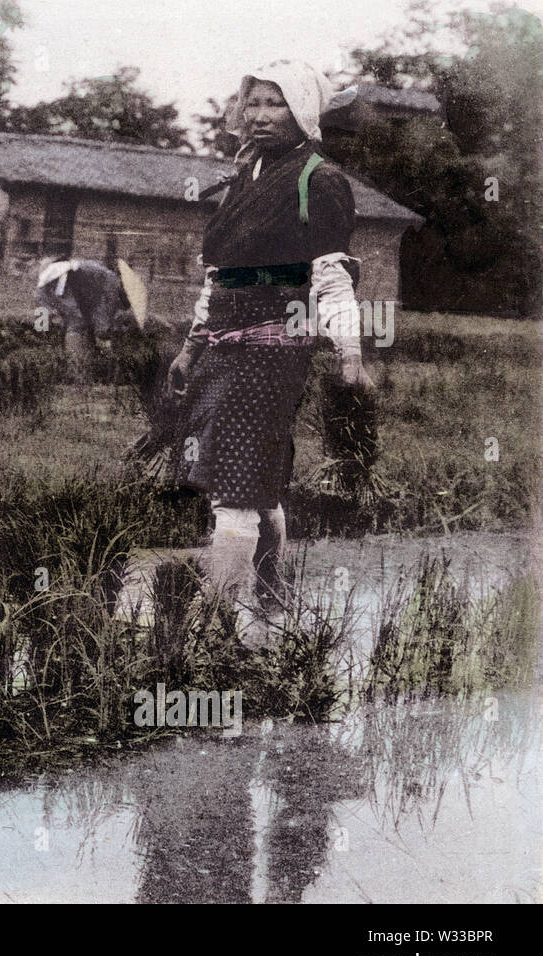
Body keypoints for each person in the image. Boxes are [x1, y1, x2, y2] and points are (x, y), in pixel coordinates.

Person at [164, 61, 375, 621]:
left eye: (274, 104)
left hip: (274, 349)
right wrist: (191, 346)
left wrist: (349, 352)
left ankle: (217, 617)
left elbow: (332, 274)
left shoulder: (319, 180)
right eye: (252, 104)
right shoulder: (243, 178)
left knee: (233, 485)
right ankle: (270, 600)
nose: (259, 116)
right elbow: (218, 276)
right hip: (223, 349)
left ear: (303, 111)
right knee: (254, 479)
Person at [34, 257, 135, 378]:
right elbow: (42, 315)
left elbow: (102, 312)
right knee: (77, 336)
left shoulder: (97, 280)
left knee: (97, 335)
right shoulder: (43, 292)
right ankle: (81, 372)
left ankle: (96, 371)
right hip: (78, 310)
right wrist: (43, 333)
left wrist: (102, 331)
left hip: (93, 302)